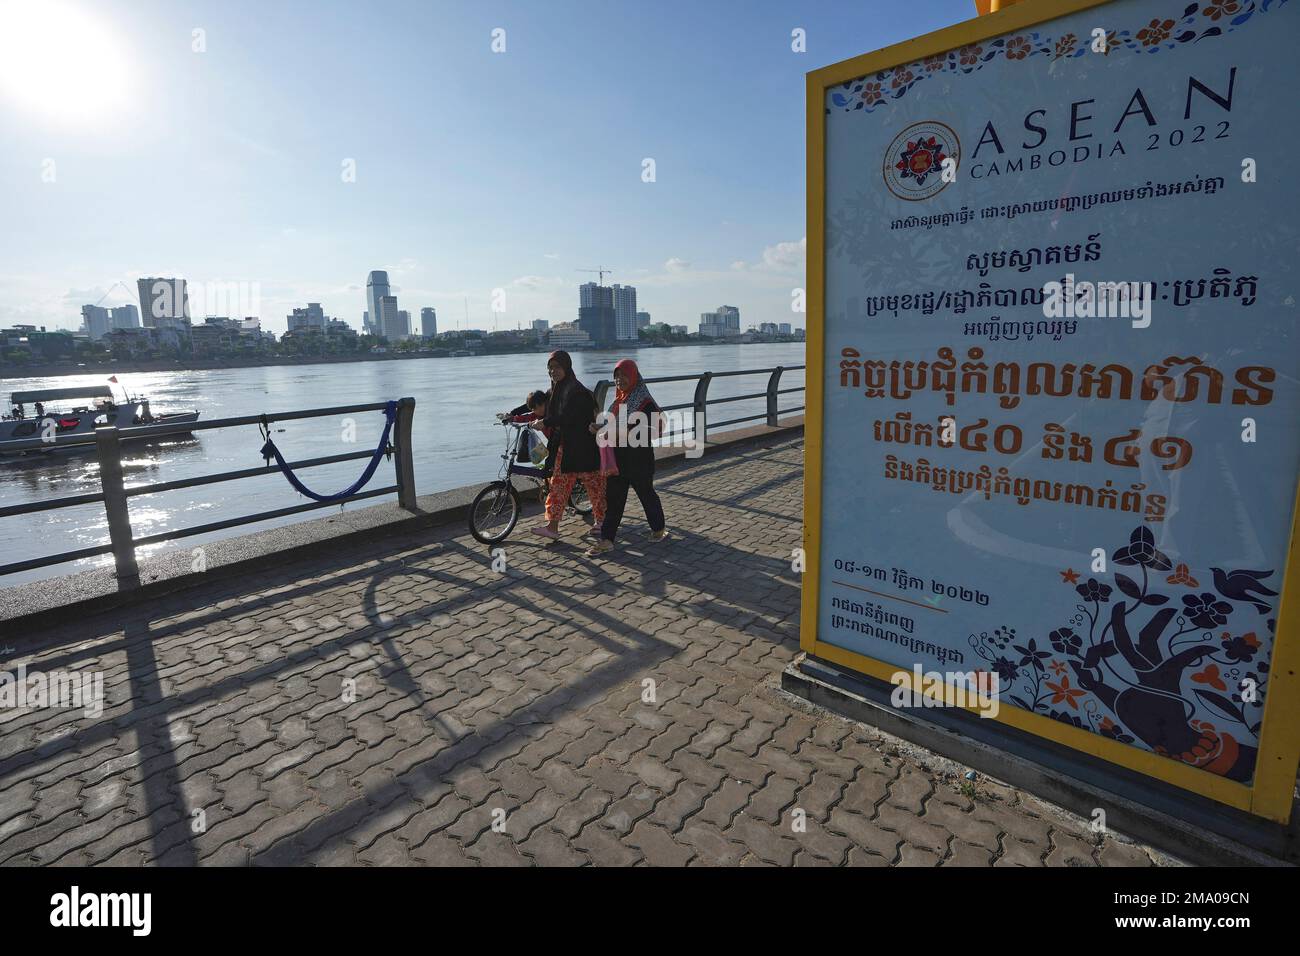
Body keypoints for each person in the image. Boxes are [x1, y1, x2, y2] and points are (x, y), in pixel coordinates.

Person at [586, 358, 667, 557]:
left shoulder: (645, 402)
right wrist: (599, 427)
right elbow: (612, 425)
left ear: (633, 376)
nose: (619, 379)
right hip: (618, 459)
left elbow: (648, 430)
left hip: (639, 458)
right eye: (616, 376)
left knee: (646, 494)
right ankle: (607, 540)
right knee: (613, 500)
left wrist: (614, 430)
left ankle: (658, 528)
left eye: (623, 375)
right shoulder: (618, 401)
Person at [533, 350, 606, 541]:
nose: (553, 372)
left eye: (556, 367)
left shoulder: (576, 391)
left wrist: (546, 423)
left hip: (584, 447)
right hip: (565, 449)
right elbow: (537, 405)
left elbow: (570, 418)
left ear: (566, 366)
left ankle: (603, 522)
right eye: (549, 368)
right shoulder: (555, 390)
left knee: (594, 486)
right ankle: (552, 527)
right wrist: (512, 414)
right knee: (557, 487)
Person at [498, 389, 550, 464]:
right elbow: (524, 418)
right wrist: (511, 418)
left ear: (546, 403)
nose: (539, 410)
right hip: (553, 442)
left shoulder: (552, 414)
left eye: (541, 406)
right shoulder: (535, 416)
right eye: (535, 408)